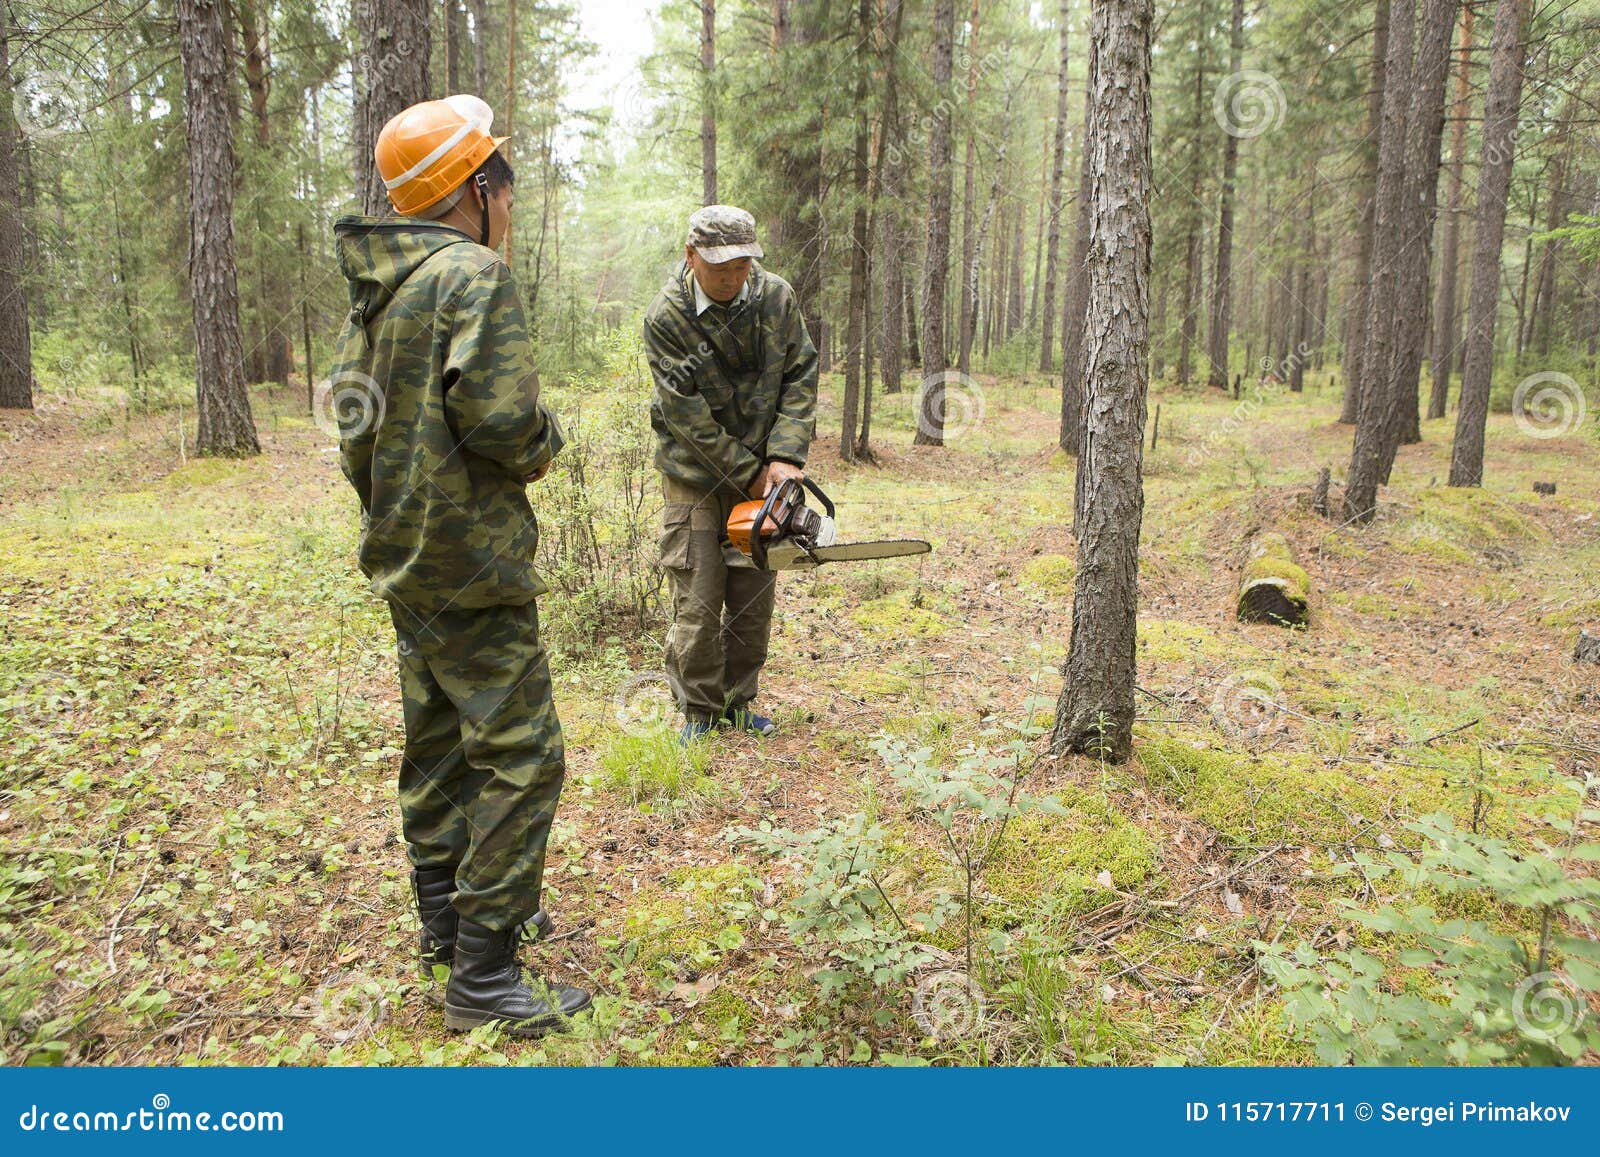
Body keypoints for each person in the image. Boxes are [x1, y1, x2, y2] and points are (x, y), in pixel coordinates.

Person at [328, 94, 589, 1036]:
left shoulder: (378, 288)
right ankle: (484, 974)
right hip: (472, 560)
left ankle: (448, 927)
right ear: (477, 187)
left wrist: (398, 512)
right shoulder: (470, 274)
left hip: (406, 557)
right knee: (522, 753)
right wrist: (543, 440)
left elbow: (352, 430)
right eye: (504, 183)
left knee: (438, 745)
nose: (510, 202)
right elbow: (499, 418)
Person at [642, 205, 819, 744]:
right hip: (694, 474)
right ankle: (699, 712)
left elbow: (800, 375)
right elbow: (685, 415)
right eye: (719, 265)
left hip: (765, 469)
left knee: (750, 593)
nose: (731, 276)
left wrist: (785, 458)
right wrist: (751, 473)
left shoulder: (775, 298)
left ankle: (739, 702)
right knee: (697, 596)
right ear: (690, 254)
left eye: (742, 264)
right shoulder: (667, 317)